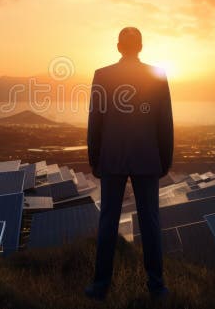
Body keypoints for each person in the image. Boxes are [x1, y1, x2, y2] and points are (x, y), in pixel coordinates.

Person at [84, 27, 173, 300]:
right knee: (150, 222)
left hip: (112, 158)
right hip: (147, 158)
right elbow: (164, 123)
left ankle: (100, 286)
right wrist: (165, 162)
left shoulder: (102, 75)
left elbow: (95, 121)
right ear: (141, 46)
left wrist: (95, 159)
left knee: (108, 221)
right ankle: (156, 286)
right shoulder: (157, 76)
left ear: (119, 47)